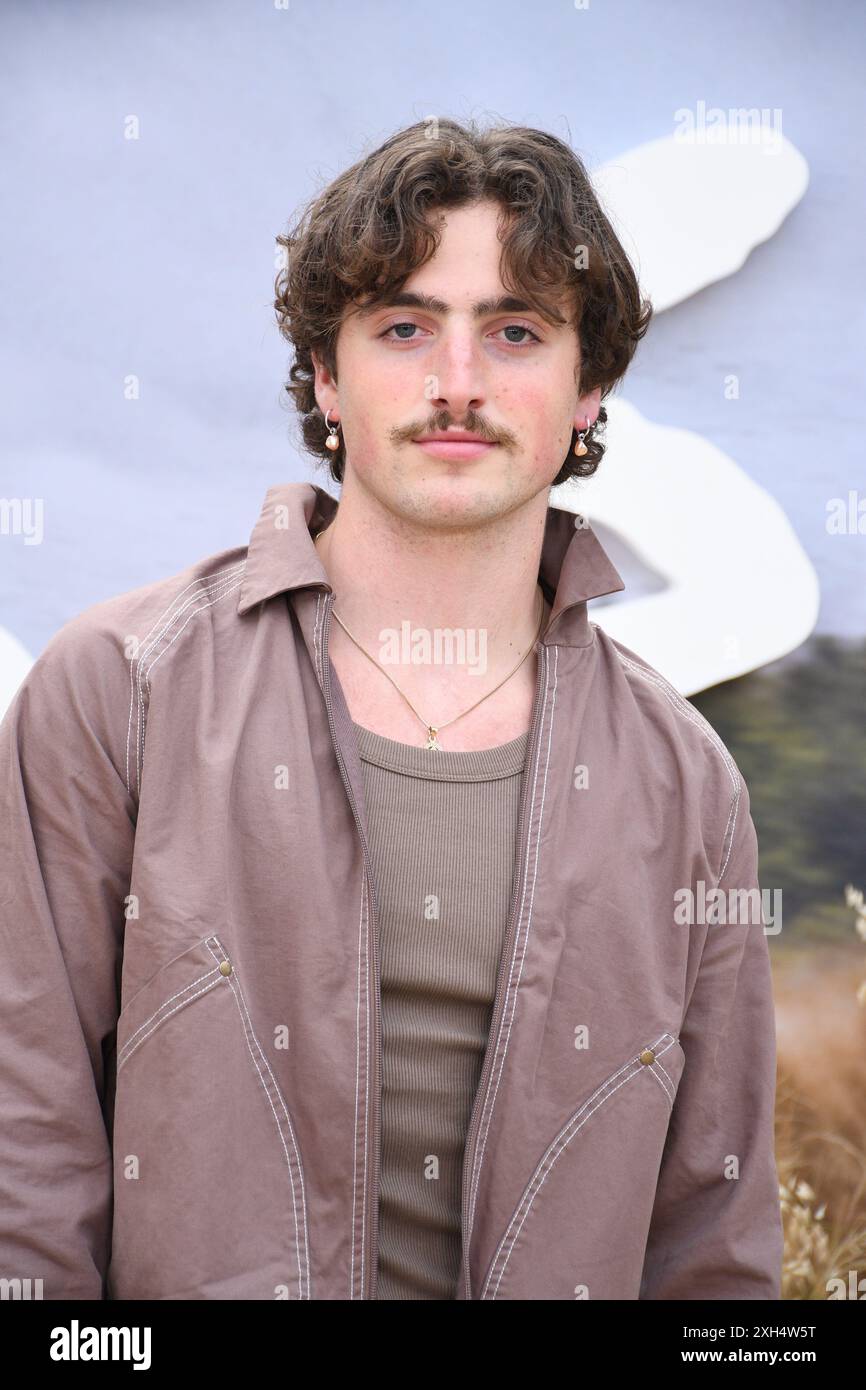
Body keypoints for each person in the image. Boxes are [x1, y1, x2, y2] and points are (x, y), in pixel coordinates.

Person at [0, 117, 783, 1301]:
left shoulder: (685, 785)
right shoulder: (120, 689)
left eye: (515, 331)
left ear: (590, 384)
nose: (455, 382)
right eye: (404, 327)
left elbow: (713, 1250)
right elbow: (25, 1166)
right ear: (324, 370)